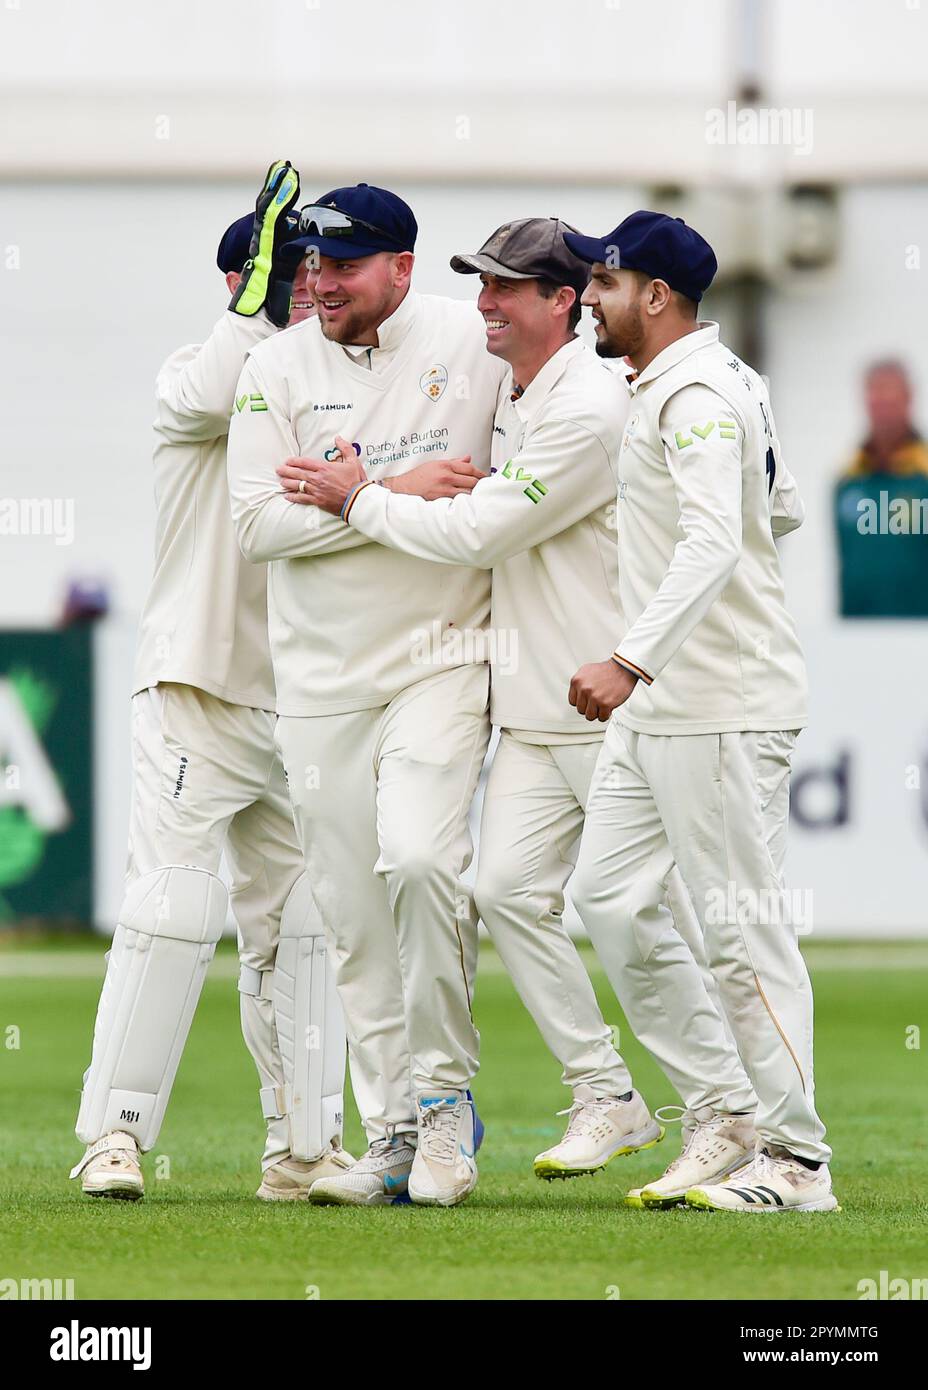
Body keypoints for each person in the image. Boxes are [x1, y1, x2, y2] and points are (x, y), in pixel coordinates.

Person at [292, 217, 773, 1203]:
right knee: (508, 892)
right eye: (478, 287)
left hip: (611, 707)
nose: (482, 306)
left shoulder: (590, 405)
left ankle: (743, 1121)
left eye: (504, 289)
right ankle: (606, 1091)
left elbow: (478, 531)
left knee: (666, 920)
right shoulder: (520, 393)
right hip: (533, 705)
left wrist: (359, 497)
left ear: (563, 299)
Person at [70, 162, 353, 1204]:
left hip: (306, 699)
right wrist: (256, 298)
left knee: (306, 927)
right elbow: (214, 388)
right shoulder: (196, 369)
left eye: (318, 268)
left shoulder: (334, 384)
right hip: (196, 685)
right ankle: (116, 1135)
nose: (311, 288)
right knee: (176, 909)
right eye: (292, 269)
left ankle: (306, 1147)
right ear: (247, 277)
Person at [227, 183, 506, 1207]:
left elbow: (504, 484)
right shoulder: (274, 362)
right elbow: (257, 525)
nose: (320, 280)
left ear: (402, 266)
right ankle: (390, 1127)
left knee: (424, 860)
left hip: (442, 653)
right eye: (311, 261)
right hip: (318, 683)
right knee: (352, 913)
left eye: (344, 264)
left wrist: (339, 491)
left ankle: (442, 1112)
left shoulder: (470, 346)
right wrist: (385, 496)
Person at [562, 210, 837, 1212]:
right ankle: (726, 1111)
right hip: (668, 708)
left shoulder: (698, 394)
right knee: (608, 896)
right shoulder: (706, 386)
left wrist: (632, 656)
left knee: (739, 929)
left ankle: (797, 1164)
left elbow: (720, 539)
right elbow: (786, 505)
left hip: (717, 702)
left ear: (657, 297)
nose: (591, 298)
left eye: (604, 283)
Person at [834, 358, 928, 617]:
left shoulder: (924, 477)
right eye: (876, 396)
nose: (883, 407)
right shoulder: (847, 481)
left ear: (908, 400)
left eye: (891, 397)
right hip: (858, 637)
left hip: (919, 636)